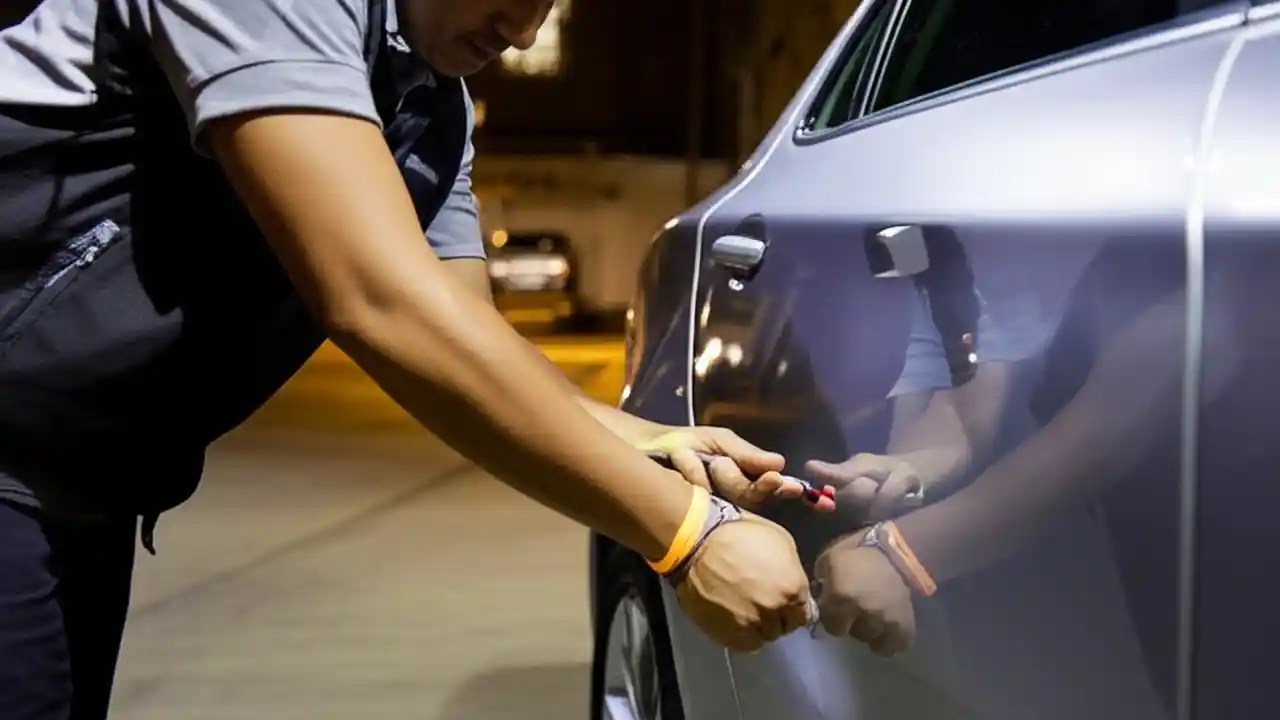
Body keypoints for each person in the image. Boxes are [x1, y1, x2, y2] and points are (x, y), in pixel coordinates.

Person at [0, 1, 821, 718]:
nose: (525, 28)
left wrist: (641, 441)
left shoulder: (430, 106)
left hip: (78, 483)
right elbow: (378, 303)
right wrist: (683, 536)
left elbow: (464, 341)